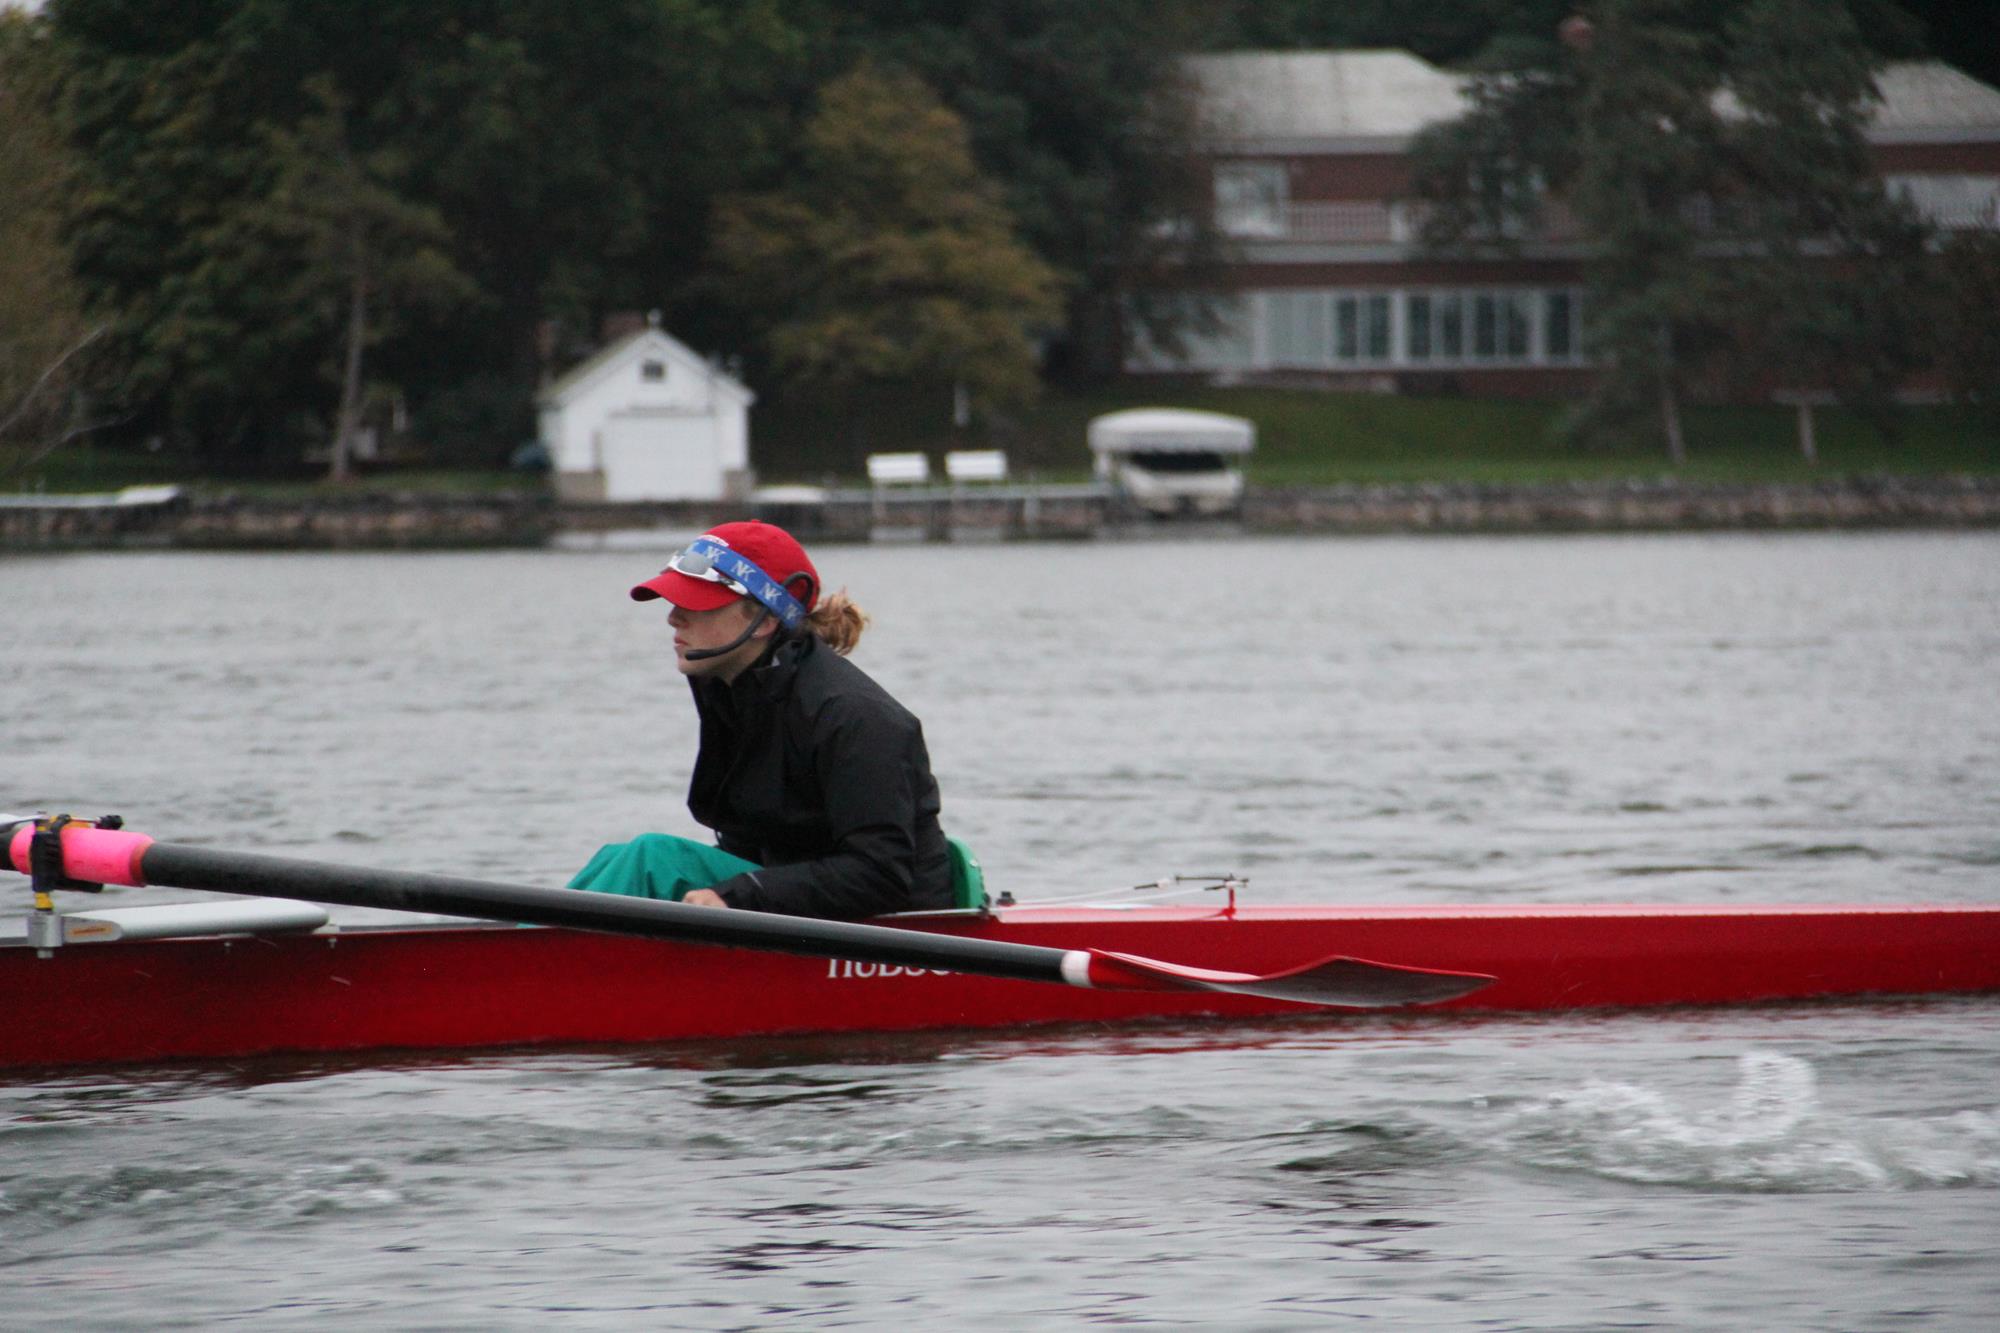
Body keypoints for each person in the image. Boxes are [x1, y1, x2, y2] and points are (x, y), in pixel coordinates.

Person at [568, 520, 955, 920]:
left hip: (899, 930)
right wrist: (735, 893)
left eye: (697, 602)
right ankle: (536, 936)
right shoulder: (734, 690)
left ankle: (539, 948)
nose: (673, 617)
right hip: (801, 911)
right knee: (616, 857)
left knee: (653, 858)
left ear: (765, 622)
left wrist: (739, 895)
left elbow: (880, 877)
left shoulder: (856, 718)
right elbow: (752, 844)